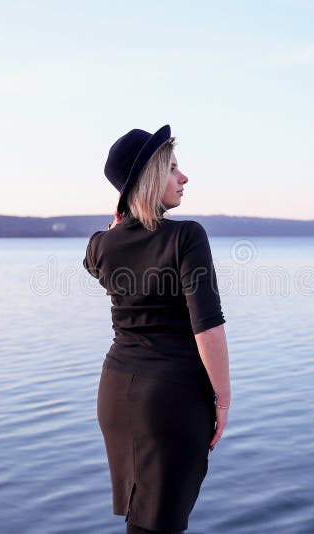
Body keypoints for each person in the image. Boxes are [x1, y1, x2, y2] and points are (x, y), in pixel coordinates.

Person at [83, 124, 231, 533]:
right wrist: (222, 400)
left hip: (115, 394)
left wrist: (121, 222)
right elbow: (208, 329)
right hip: (172, 399)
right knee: (160, 524)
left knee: (142, 520)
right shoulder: (186, 236)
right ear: (148, 178)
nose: (183, 178)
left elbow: (96, 257)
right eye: (172, 168)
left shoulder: (100, 244)